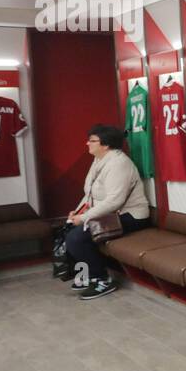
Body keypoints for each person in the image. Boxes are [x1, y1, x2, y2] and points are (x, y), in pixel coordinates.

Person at [62, 124, 151, 299]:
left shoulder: (119, 163)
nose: (87, 143)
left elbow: (114, 200)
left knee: (77, 237)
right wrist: (77, 213)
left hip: (130, 216)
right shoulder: (99, 160)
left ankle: (102, 280)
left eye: (92, 141)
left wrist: (85, 217)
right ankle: (86, 274)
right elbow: (89, 194)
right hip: (110, 214)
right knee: (68, 229)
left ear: (106, 145)